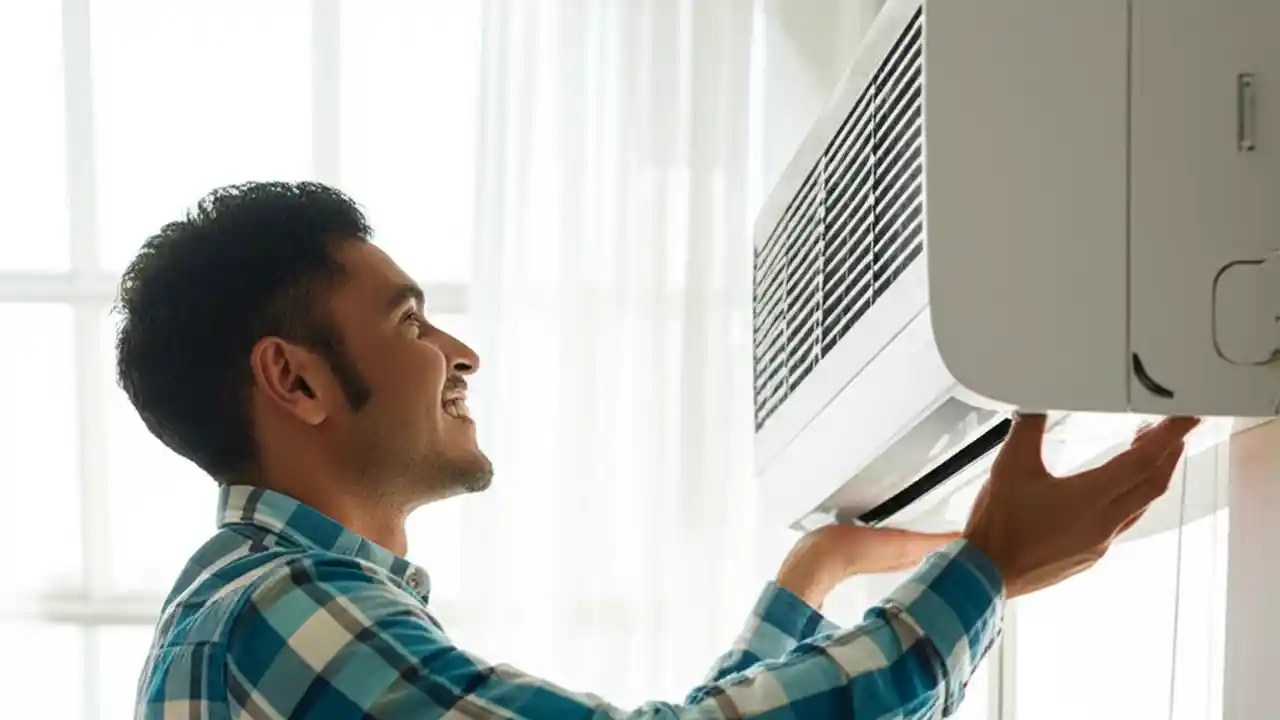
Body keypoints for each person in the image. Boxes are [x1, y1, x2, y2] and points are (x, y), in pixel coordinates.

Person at [121, 182, 1197, 719]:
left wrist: (806, 579)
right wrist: (983, 573)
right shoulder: (274, 612)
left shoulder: (262, 606)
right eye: (409, 324)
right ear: (295, 380)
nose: (460, 354)